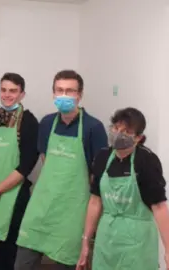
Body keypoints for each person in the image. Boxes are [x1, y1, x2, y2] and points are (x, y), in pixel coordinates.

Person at [15, 70, 108, 270]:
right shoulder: (47, 123)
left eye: (70, 91)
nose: (64, 95)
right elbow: (46, 161)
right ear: (53, 93)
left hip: (72, 212)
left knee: (64, 263)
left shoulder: (94, 127)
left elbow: (97, 177)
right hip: (42, 206)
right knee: (23, 263)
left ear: (79, 95)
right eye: (60, 90)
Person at [76, 107, 169, 270]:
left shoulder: (147, 161)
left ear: (138, 138)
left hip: (137, 242)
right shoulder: (103, 157)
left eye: (126, 131)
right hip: (107, 239)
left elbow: (159, 207)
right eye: (116, 128)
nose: (118, 134)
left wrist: (168, 250)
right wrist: (85, 242)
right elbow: (95, 201)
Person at [0, 73, 39, 270]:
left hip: (13, 197)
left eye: (13, 91)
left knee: (9, 255)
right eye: (4, 90)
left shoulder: (29, 122)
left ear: (22, 94)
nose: (7, 95)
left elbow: (25, 166)